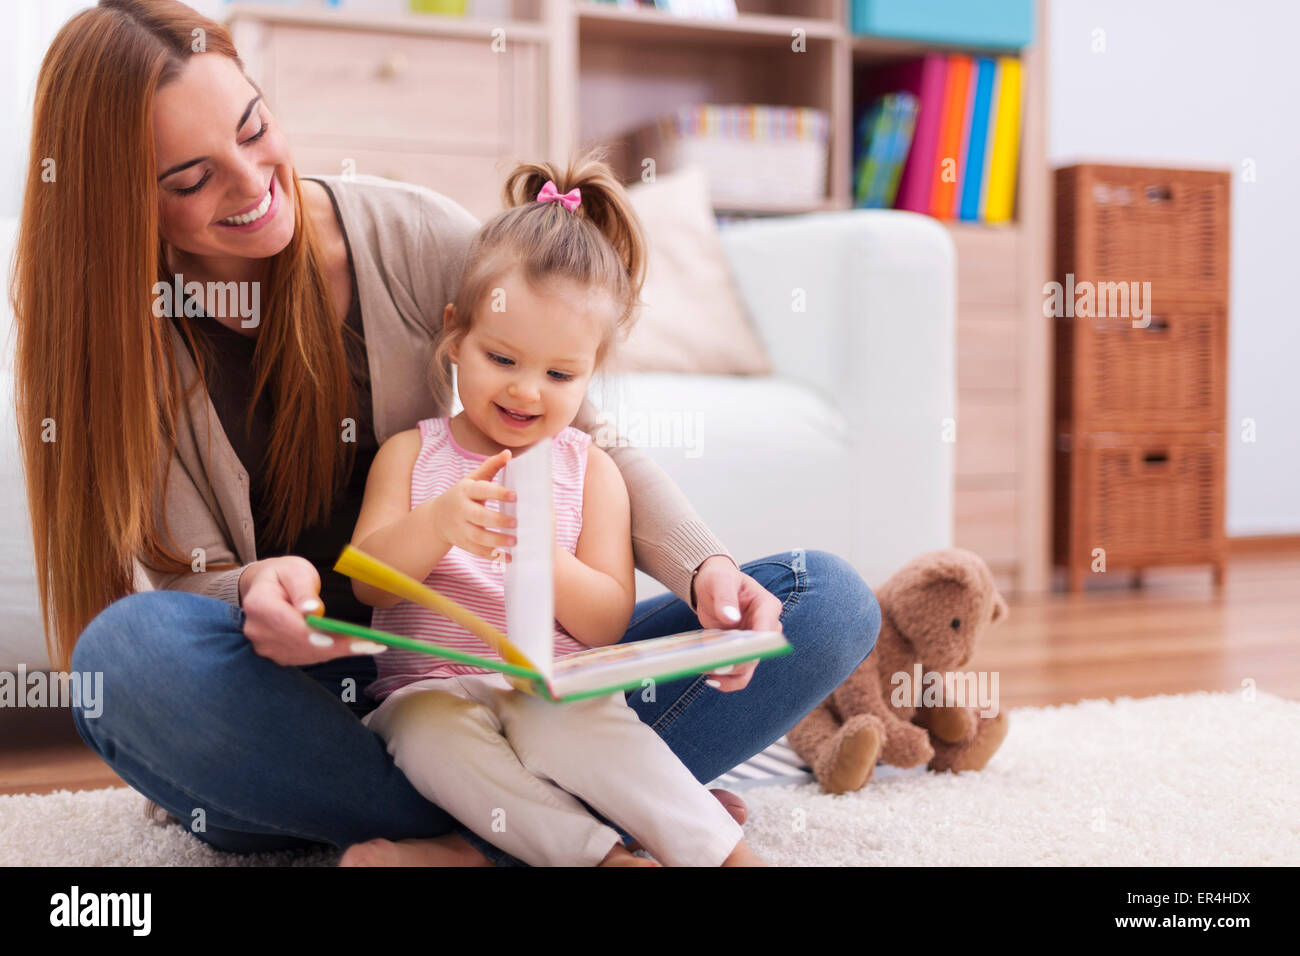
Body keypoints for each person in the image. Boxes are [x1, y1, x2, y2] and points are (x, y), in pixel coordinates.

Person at [11, 0, 882, 866]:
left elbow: (589, 441)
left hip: (529, 680)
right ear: (121, 202)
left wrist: (708, 571)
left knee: (825, 601)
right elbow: (179, 582)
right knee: (125, 658)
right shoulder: (132, 348)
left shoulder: (414, 237)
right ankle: (585, 817)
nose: (250, 182)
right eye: (192, 179)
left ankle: (471, 842)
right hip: (334, 702)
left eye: (253, 127)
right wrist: (248, 593)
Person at [345, 154, 763, 867]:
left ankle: (721, 853)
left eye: (560, 374)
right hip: (427, 690)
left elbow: (604, 623)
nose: (528, 393)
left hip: (553, 688)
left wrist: (547, 560)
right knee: (431, 743)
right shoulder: (409, 454)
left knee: (595, 736)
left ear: (591, 373)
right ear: (455, 336)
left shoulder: (592, 471)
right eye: (502, 359)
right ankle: (601, 857)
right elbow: (366, 582)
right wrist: (438, 525)